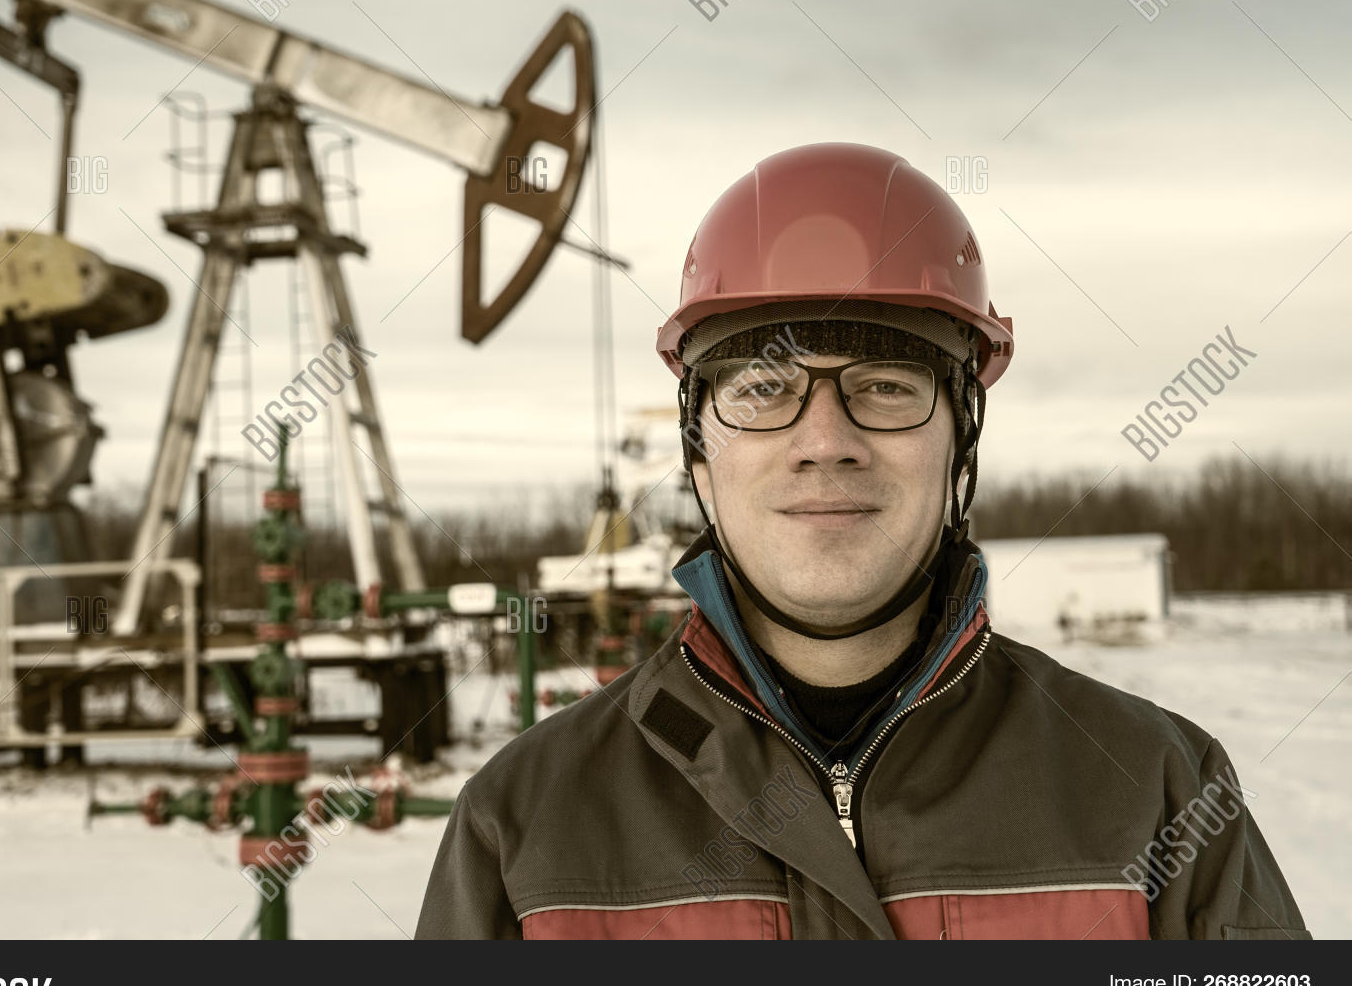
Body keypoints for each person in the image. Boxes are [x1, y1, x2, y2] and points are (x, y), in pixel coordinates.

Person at [414, 142, 1308, 940]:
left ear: (961, 441)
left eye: (884, 385)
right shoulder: (524, 825)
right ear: (698, 452)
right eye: (763, 390)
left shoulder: (1159, 792)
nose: (825, 438)